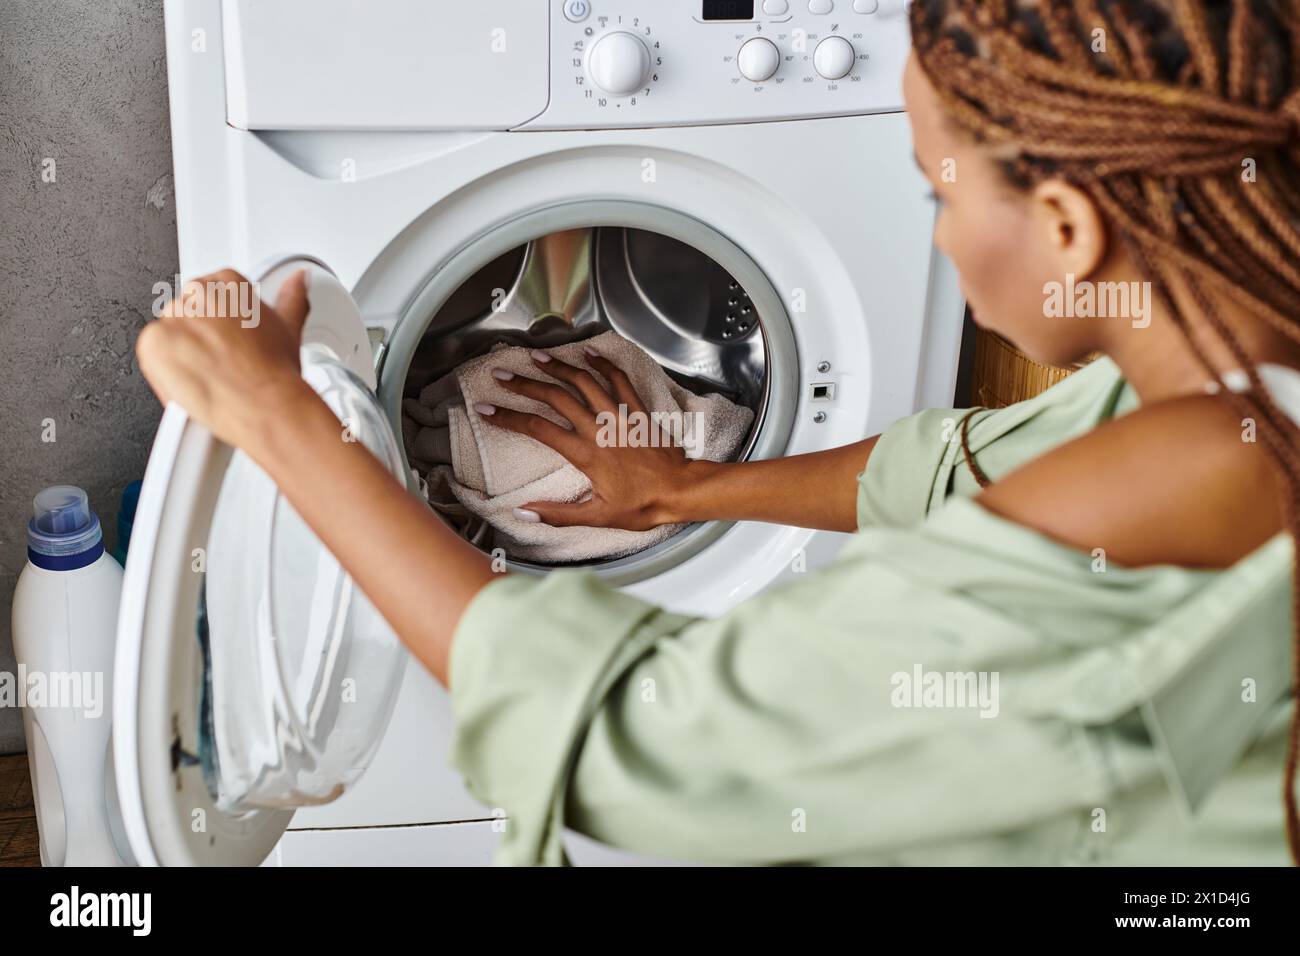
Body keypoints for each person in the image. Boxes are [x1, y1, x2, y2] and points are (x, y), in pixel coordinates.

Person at [136, 0, 1300, 865]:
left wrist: (282, 419)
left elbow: (639, 743)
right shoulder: (1218, 406)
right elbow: (948, 470)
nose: (936, 235)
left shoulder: (1185, 471)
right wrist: (679, 492)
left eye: (942, 193)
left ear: (1062, 223)